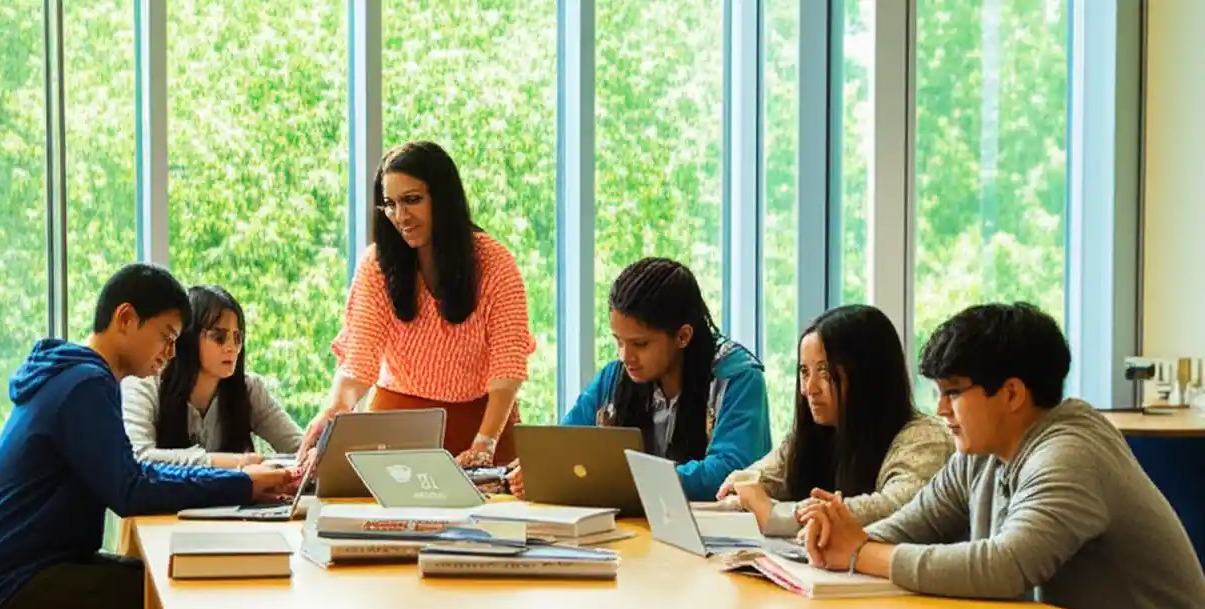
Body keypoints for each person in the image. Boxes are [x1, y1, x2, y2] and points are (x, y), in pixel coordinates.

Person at [796, 302, 1205, 609]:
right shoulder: (982, 452)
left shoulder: (1070, 454)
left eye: (953, 392)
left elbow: (1003, 566)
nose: (941, 411)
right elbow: (916, 522)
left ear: (1011, 393)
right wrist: (837, 535)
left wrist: (858, 552)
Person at [0, 264, 296, 609]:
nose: (171, 352)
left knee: (178, 580)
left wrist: (239, 483)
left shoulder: (75, 375)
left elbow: (134, 473)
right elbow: (130, 491)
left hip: (28, 573)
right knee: (190, 597)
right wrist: (241, 484)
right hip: (15, 585)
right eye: (166, 337)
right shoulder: (84, 384)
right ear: (126, 318)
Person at [299, 141, 535, 469]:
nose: (400, 216)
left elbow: (508, 368)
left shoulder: (495, 263)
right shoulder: (376, 264)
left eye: (412, 200)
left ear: (443, 198)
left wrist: (485, 442)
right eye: (390, 204)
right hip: (397, 429)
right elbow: (358, 364)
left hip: (484, 425)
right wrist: (332, 411)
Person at [511, 257, 771, 501]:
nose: (625, 356)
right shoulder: (614, 378)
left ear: (683, 336)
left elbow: (727, 472)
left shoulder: (737, 378)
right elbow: (565, 443)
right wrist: (541, 469)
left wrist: (628, 480)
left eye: (640, 344)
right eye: (619, 341)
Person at [717, 305, 953, 536]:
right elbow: (754, 481)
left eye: (825, 373)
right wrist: (742, 492)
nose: (809, 389)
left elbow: (899, 508)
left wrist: (781, 515)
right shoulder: (817, 432)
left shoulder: (925, 438)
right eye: (804, 372)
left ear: (868, 376)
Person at [122, 284, 302, 467]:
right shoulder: (144, 385)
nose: (232, 347)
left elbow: (300, 449)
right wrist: (234, 463)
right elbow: (138, 457)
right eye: (219, 337)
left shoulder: (249, 389)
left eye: (238, 338)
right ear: (187, 338)